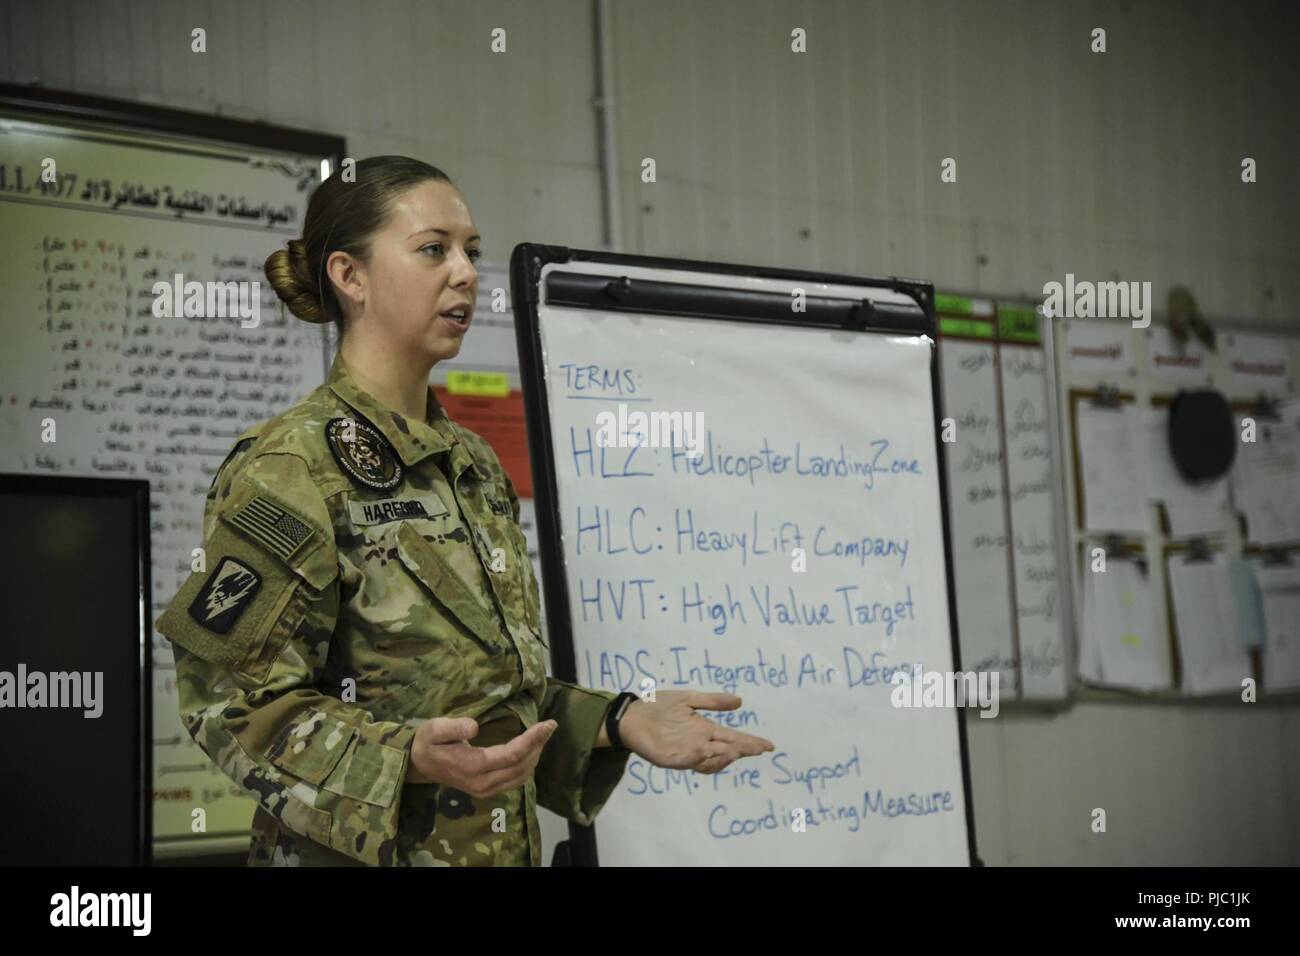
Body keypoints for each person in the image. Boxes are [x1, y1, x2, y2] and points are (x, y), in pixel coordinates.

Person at [155, 155, 775, 866]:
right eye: (432, 249)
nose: (466, 273)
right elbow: (233, 708)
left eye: (470, 251)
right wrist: (405, 758)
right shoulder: (288, 468)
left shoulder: (471, 464)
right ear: (348, 276)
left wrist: (621, 721)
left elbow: (494, 702)